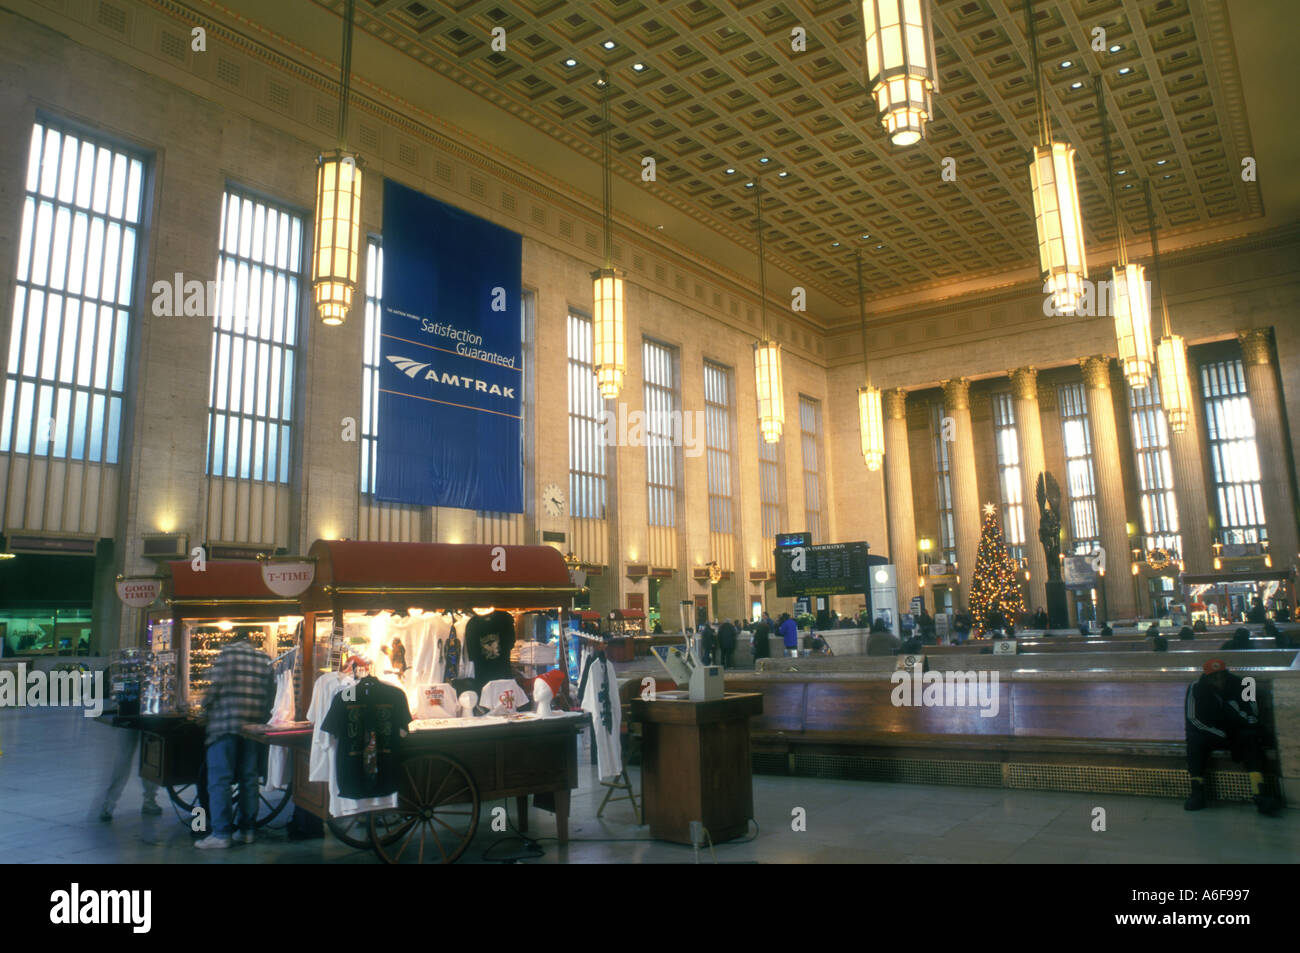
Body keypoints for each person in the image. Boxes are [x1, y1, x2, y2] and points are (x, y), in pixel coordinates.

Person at [195, 634, 275, 849]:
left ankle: (221, 834)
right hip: (253, 728)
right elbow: (270, 694)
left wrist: (204, 707)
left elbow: (214, 687)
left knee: (220, 780)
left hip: (225, 725)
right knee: (249, 779)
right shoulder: (264, 658)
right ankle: (247, 830)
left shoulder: (228, 654)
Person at [1184, 658, 1280, 815]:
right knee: (1195, 742)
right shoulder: (1195, 688)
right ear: (1206, 677)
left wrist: (1236, 717)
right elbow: (1193, 720)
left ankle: (1260, 793)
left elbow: (1253, 714)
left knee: (1251, 739)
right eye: (1214, 677)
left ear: (1226, 674)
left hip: (1237, 731)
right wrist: (1220, 733)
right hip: (1212, 733)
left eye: (1221, 676)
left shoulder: (1244, 684)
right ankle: (1197, 792)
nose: (1218, 680)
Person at [98, 727, 163, 822]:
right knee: (124, 756)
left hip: (147, 716)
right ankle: (109, 803)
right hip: (129, 717)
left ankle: (149, 799)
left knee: (150, 753)